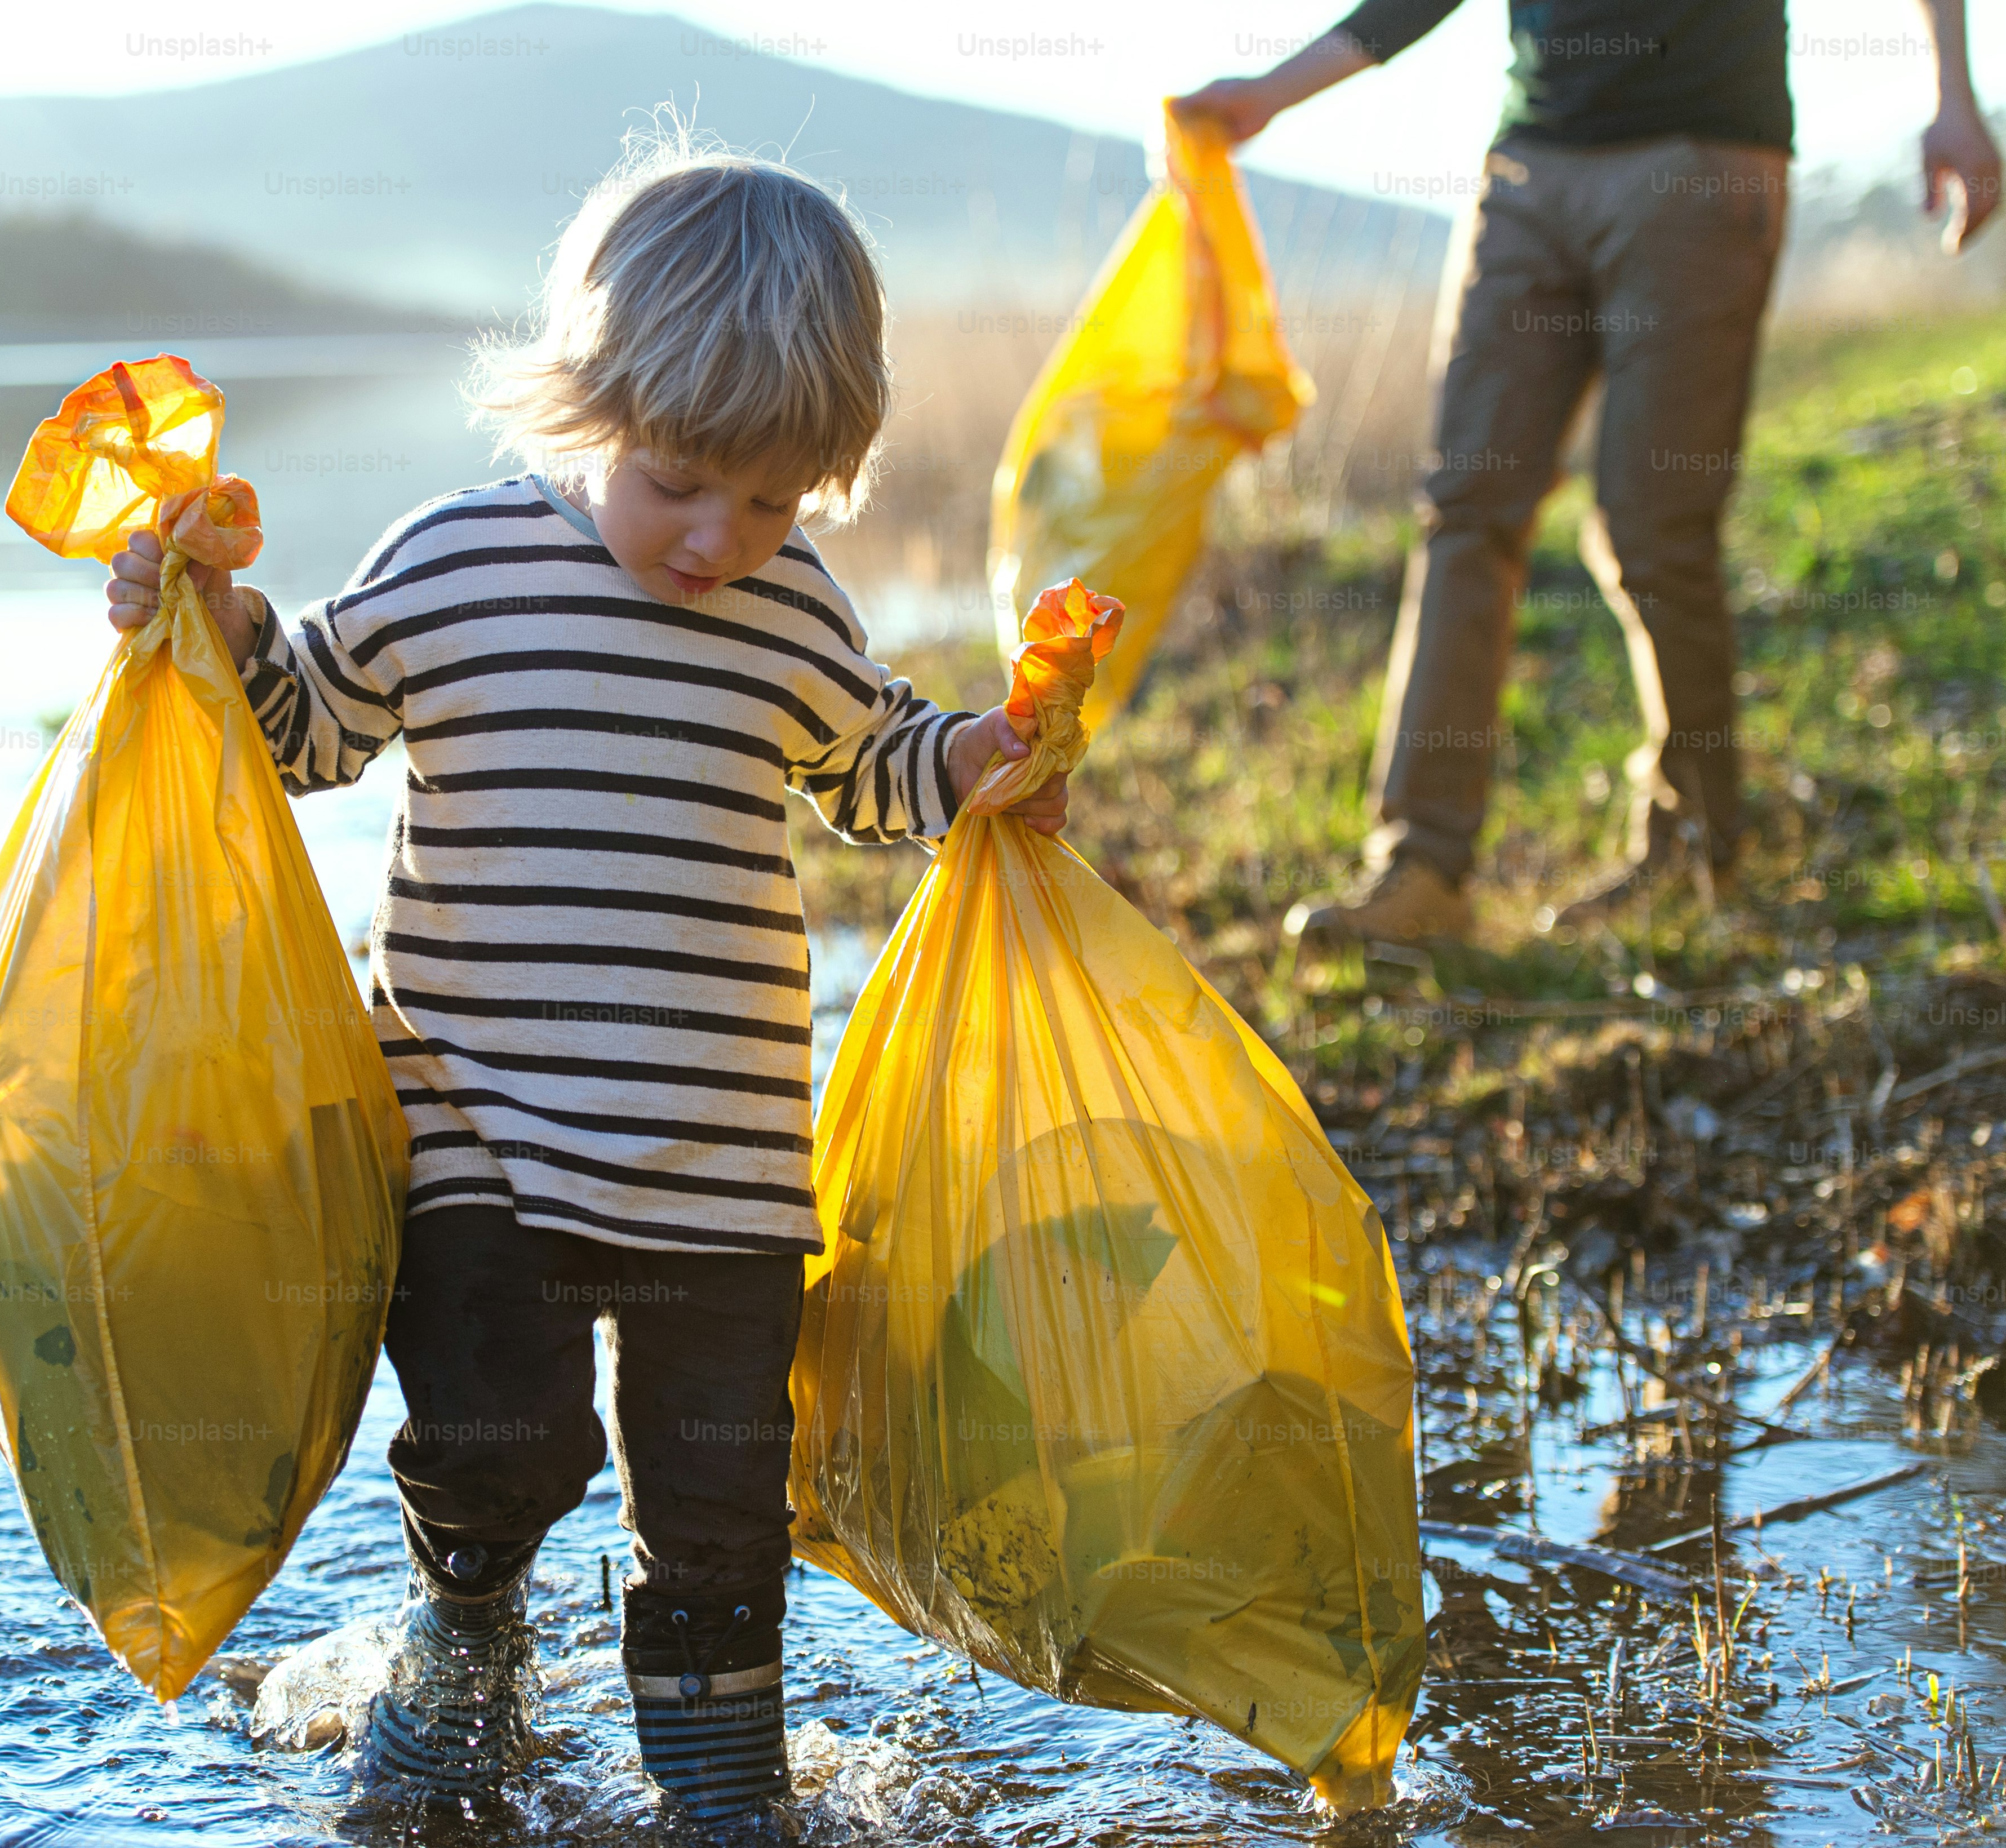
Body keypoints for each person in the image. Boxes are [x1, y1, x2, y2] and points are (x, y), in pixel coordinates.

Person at [101, 135, 1068, 1829]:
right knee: (498, 1436)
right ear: (591, 405)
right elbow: (305, 729)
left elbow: (875, 767)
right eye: (681, 480)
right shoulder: (454, 564)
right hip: (479, 1130)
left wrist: (983, 758)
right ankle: (466, 1639)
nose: (718, 538)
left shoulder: (791, 610)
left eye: (772, 501)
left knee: (721, 1491)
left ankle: (721, 1769)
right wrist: (221, 626)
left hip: (724, 1162)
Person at [1178, 0, 1999, 941]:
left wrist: (1954, 95)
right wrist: (1272, 92)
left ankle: (1693, 849)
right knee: (1466, 507)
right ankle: (1420, 868)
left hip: (1700, 158)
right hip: (1532, 165)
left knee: (1653, 525)